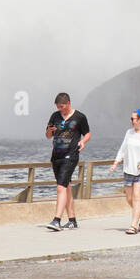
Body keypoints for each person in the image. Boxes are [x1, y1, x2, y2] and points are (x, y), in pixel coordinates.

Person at [46, 92, 91, 231]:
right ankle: (72, 220)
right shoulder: (55, 116)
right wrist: (49, 130)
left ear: (69, 103)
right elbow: (48, 136)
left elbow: (88, 133)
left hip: (70, 156)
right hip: (56, 155)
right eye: (58, 107)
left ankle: (56, 220)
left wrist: (83, 142)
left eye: (62, 106)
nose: (60, 109)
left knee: (61, 187)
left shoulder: (80, 117)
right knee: (66, 187)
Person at [109, 109, 140, 234]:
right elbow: (123, 149)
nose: (131, 121)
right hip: (129, 170)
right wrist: (116, 162)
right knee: (129, 199)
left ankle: (133, 226)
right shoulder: (129, 133)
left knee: (137, 195)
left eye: (133, 119)